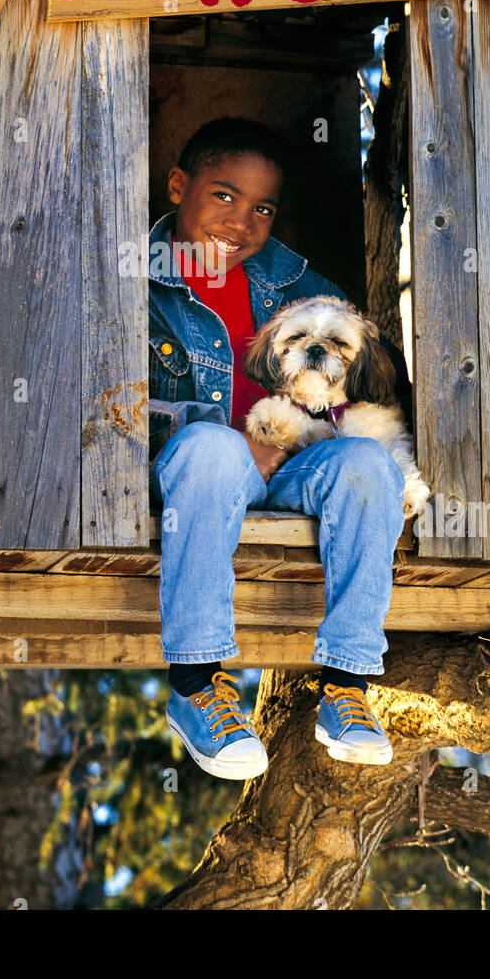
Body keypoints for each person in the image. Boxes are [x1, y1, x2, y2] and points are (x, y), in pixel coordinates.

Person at [149, 116, 413, 779]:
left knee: (367, 466)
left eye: (262, 207)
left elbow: (358, 384)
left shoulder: (299, 285)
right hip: (203, 474)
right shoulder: (136, 282)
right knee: (211, 448)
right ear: (179, 185)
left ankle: (346, 682)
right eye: (224, 195)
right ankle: (197, 682)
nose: (242, 222)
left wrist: (291, 427)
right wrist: (249, 441)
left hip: (298, 466)